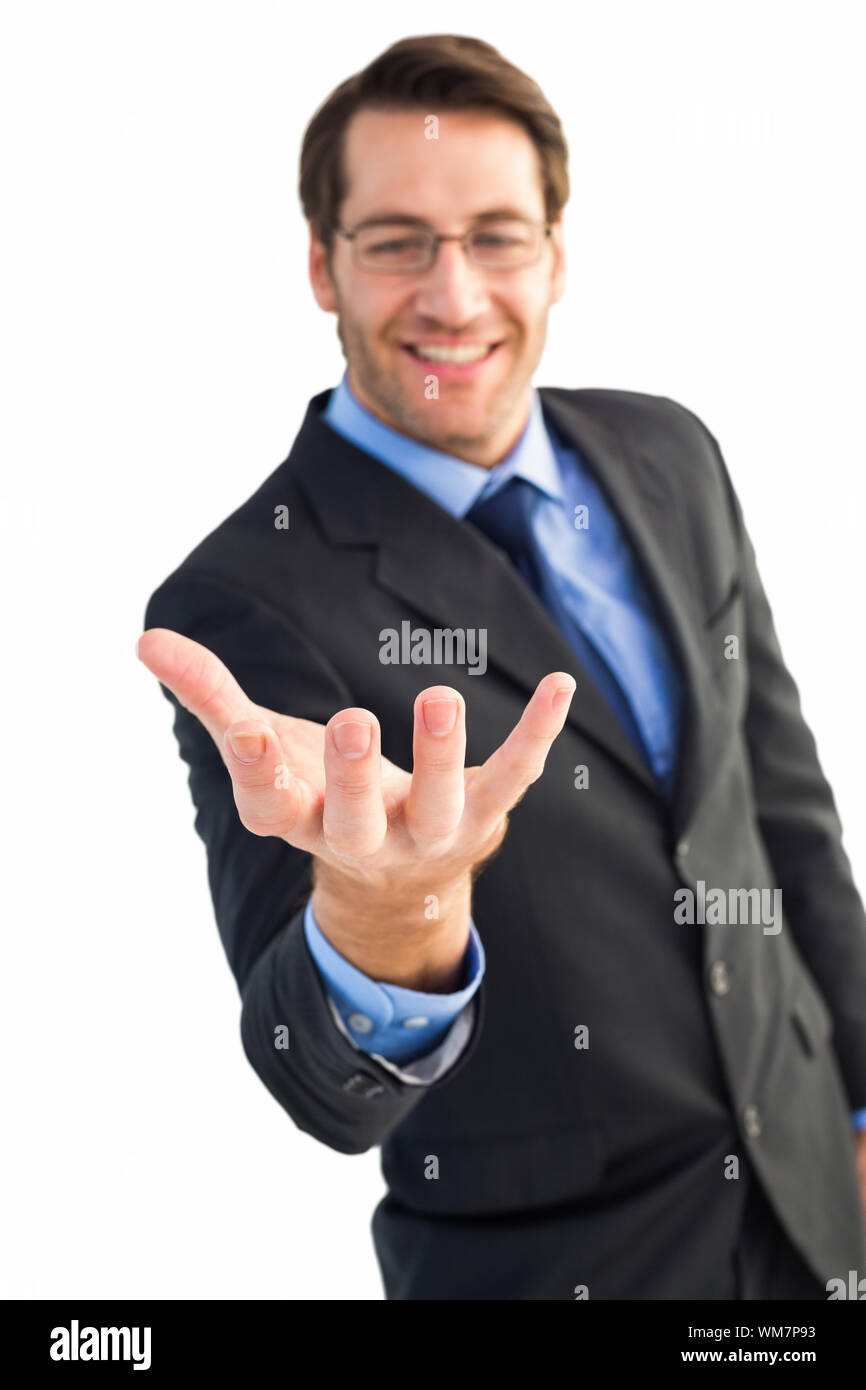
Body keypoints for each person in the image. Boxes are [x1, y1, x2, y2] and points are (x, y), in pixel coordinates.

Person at [138, 33, 866, 1300]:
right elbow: (314, 1074)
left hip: (819, 1198)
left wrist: (858, 1099)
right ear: (323, 263)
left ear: (556, 250)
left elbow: (783, 816)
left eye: (495, 234)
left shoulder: (668, 455)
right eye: (397, 241)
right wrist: (384, 913)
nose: (455, 296)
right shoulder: (241, 603)